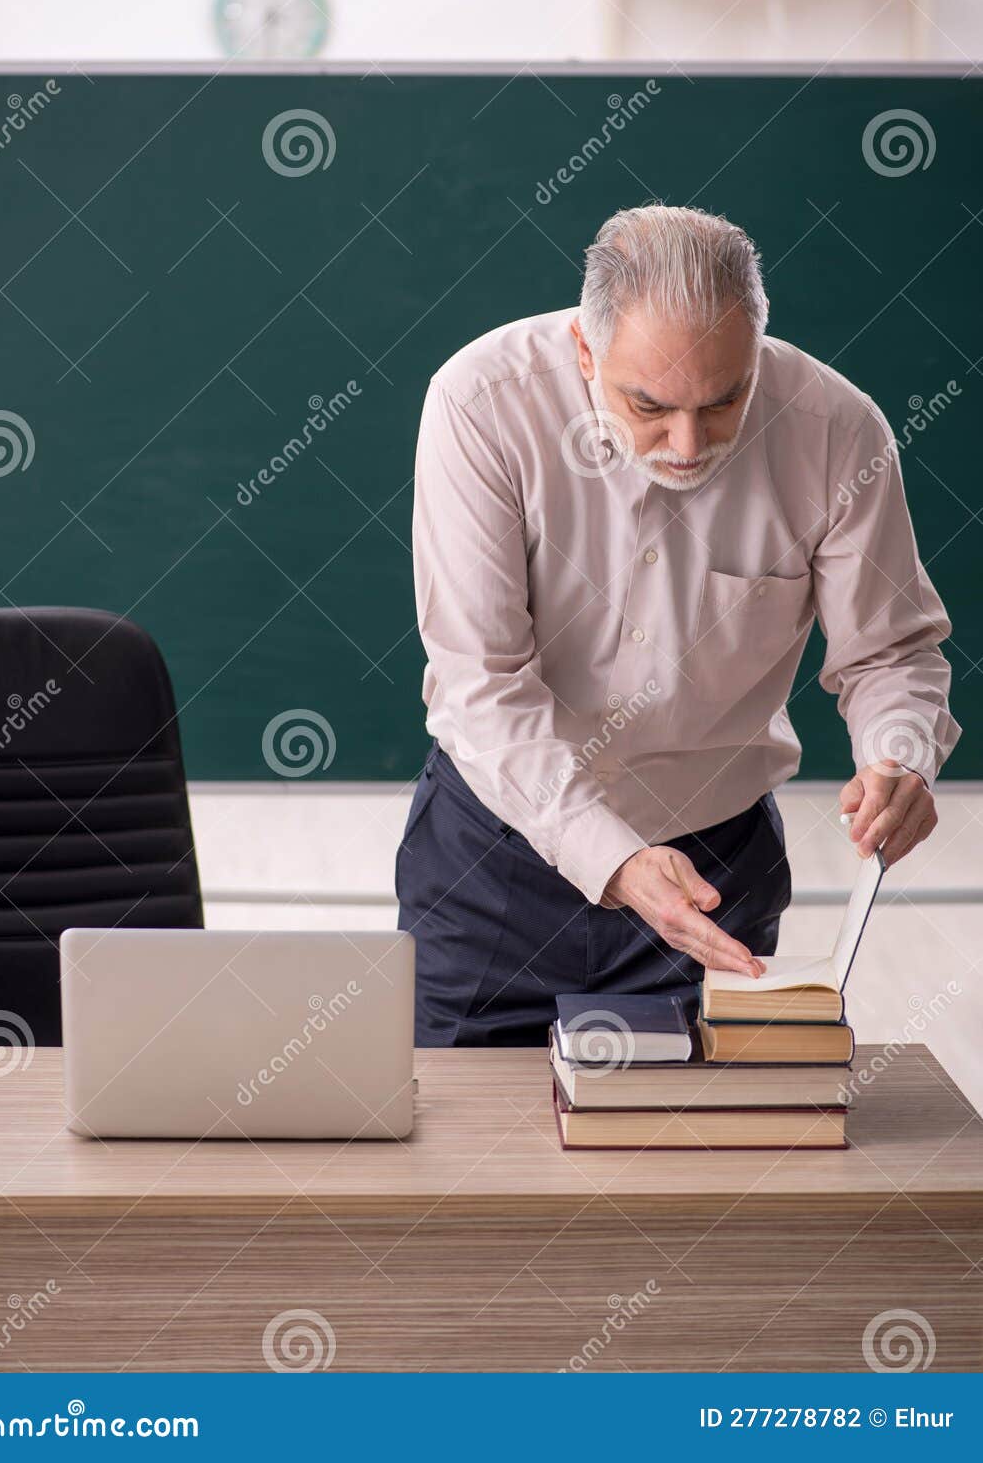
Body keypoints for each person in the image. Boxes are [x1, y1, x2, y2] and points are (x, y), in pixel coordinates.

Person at [396, 204, 959, 1045]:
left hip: (715, 869)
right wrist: (614, 860)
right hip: (496, 867)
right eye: (649, 405)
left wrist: (899, 750)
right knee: (460, 1148)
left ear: (757, 352)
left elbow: (892, 653)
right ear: (586, 352)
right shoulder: (482, 406)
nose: (689, 444)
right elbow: (483, 685)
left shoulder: (837, 431)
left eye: (725, 400)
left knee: (693, 1161)